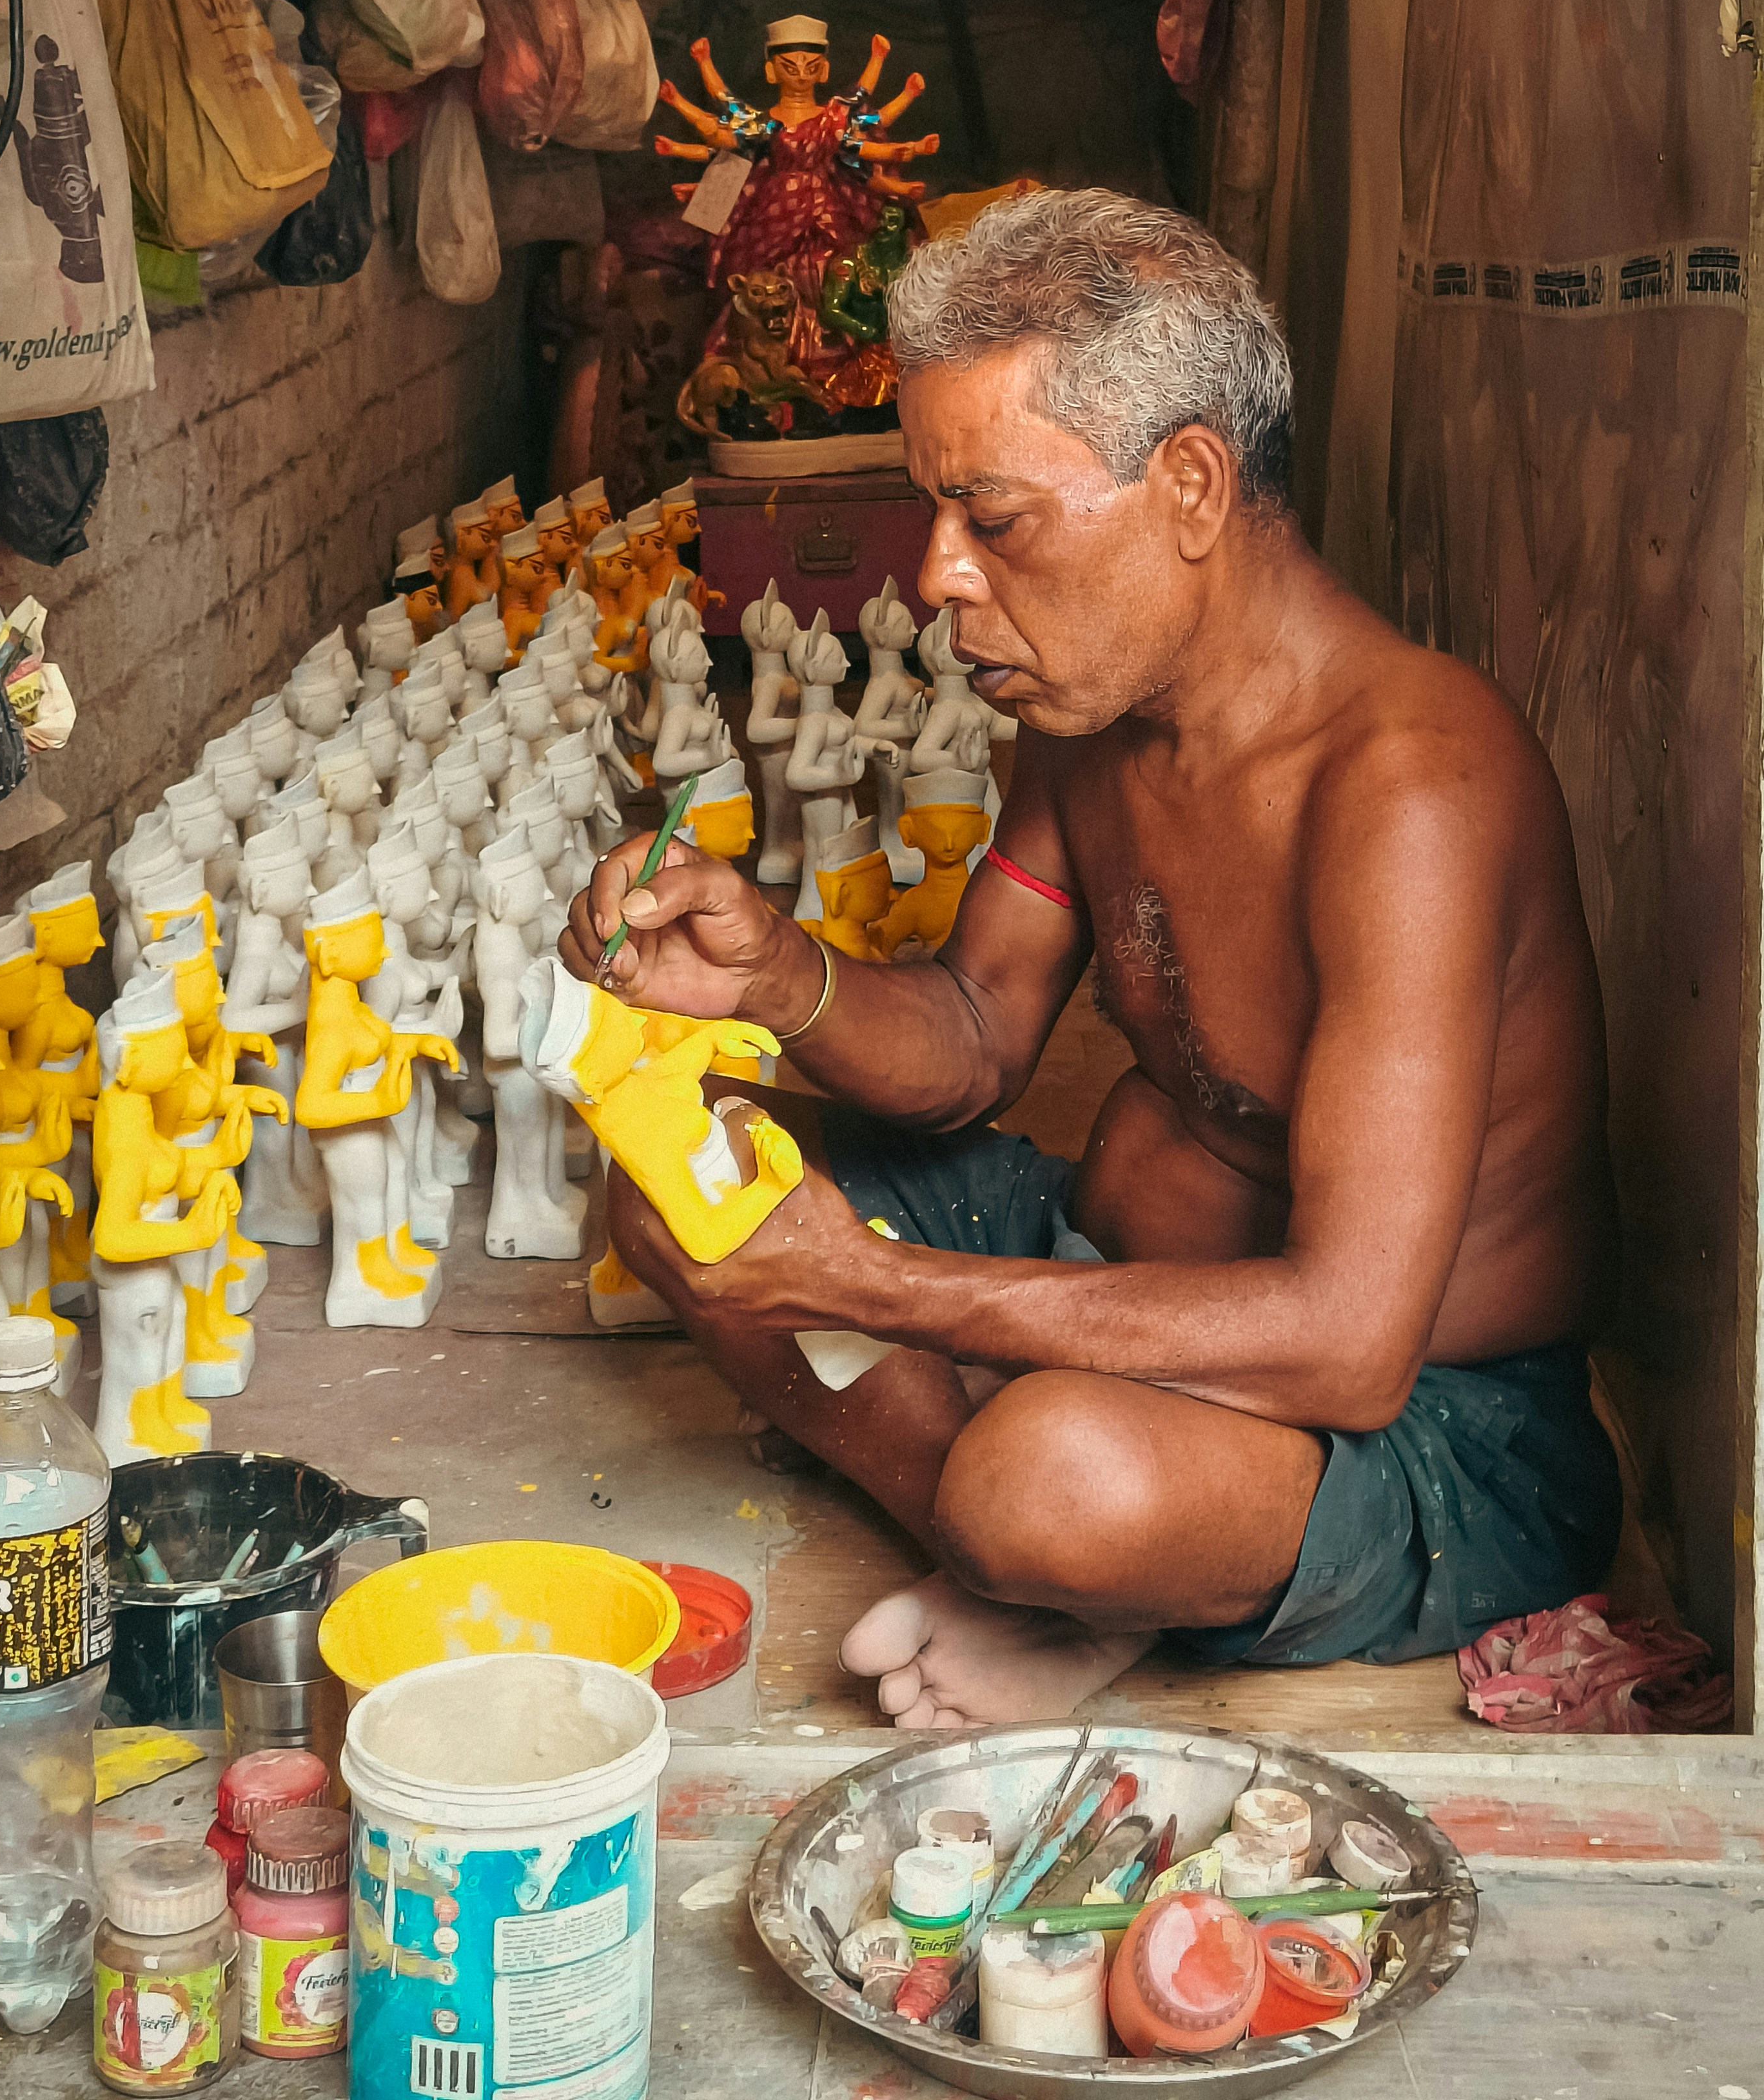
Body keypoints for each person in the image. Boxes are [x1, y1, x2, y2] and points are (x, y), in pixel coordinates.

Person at [560, 189, 1622, 1729]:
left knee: (1048, 1474)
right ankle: (1039, 1577)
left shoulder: (1408, 787)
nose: (938, 574)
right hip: (1125, 1267)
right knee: (681, 1179)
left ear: (1188, 484)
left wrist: (882, 1286)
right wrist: (776, 975)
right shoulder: (1087, 708)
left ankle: (1048, 1549)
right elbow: (978, 1035)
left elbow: (1344, 1343)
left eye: (991, 517)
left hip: (1426, 1425)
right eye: (936, 512)